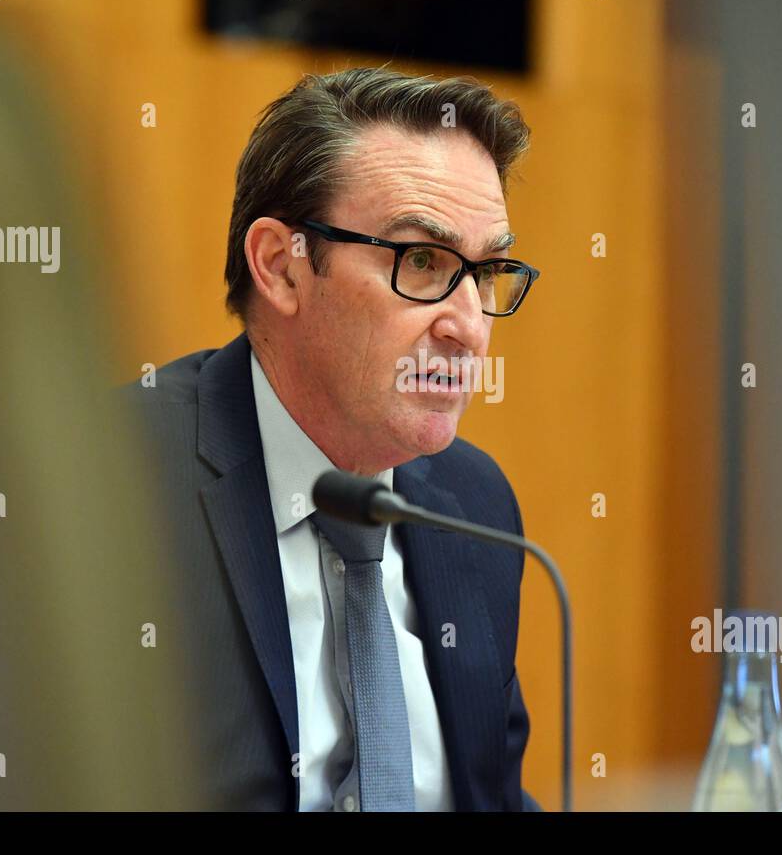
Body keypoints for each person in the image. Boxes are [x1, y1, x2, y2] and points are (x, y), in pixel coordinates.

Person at [124, 67, 542, 811]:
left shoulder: (474, 508)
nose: (469, 326)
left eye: (488, 273)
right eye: (422, 261)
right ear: (281, 267)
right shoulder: (115, 481)